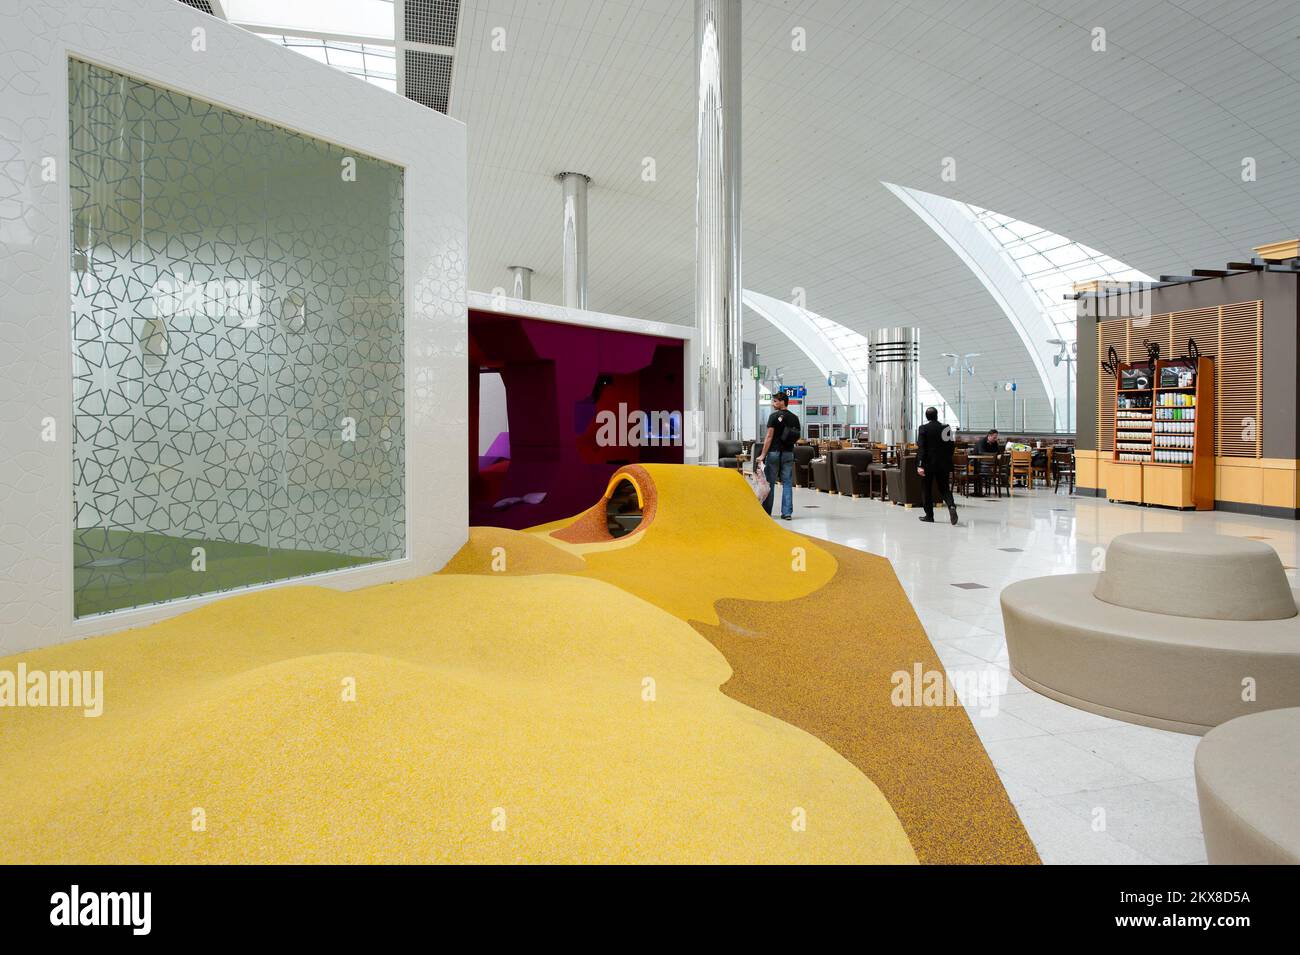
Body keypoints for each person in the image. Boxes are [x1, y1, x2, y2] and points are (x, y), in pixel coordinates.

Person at [755, 391, 800, 520]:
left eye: (775, 401)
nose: (773, 403)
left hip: (774, 453)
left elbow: (769, 437)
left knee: (770, 482)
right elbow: (796, 436)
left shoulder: (773, 417)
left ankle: (766, 512)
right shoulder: (794, 418)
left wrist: (763, 455)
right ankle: (787, 513)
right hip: (788, 453)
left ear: (782, 401)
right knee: (787, 482)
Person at [916, 406, 958, 525]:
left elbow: (922, 448)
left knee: (926, 489)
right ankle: (951, 506)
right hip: (943, 464)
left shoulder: (923, 428)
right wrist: (947, 459)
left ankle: (929, 515)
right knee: (944, 488)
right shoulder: (946, 428)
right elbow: (951, 446)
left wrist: (920, 464)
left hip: (928, 464)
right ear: (937, 415)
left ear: (926, 417)